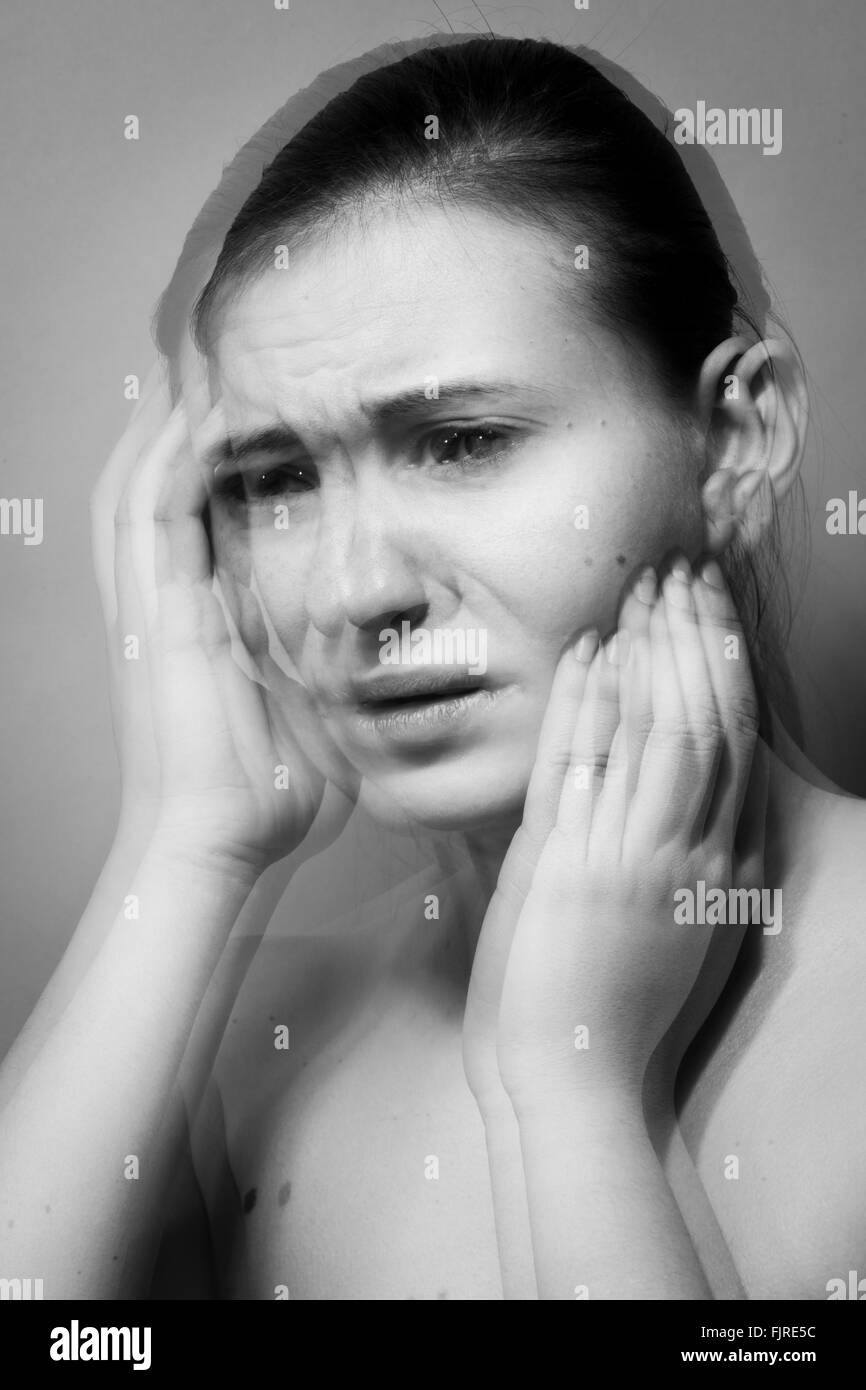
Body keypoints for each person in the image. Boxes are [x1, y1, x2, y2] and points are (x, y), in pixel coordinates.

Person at [1, 33, 863, 1302]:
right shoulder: (233, 1045)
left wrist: (570, 1091)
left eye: (459, 441)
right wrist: (183, 843)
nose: (357, 593)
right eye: (275, 480)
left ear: (735, 438)